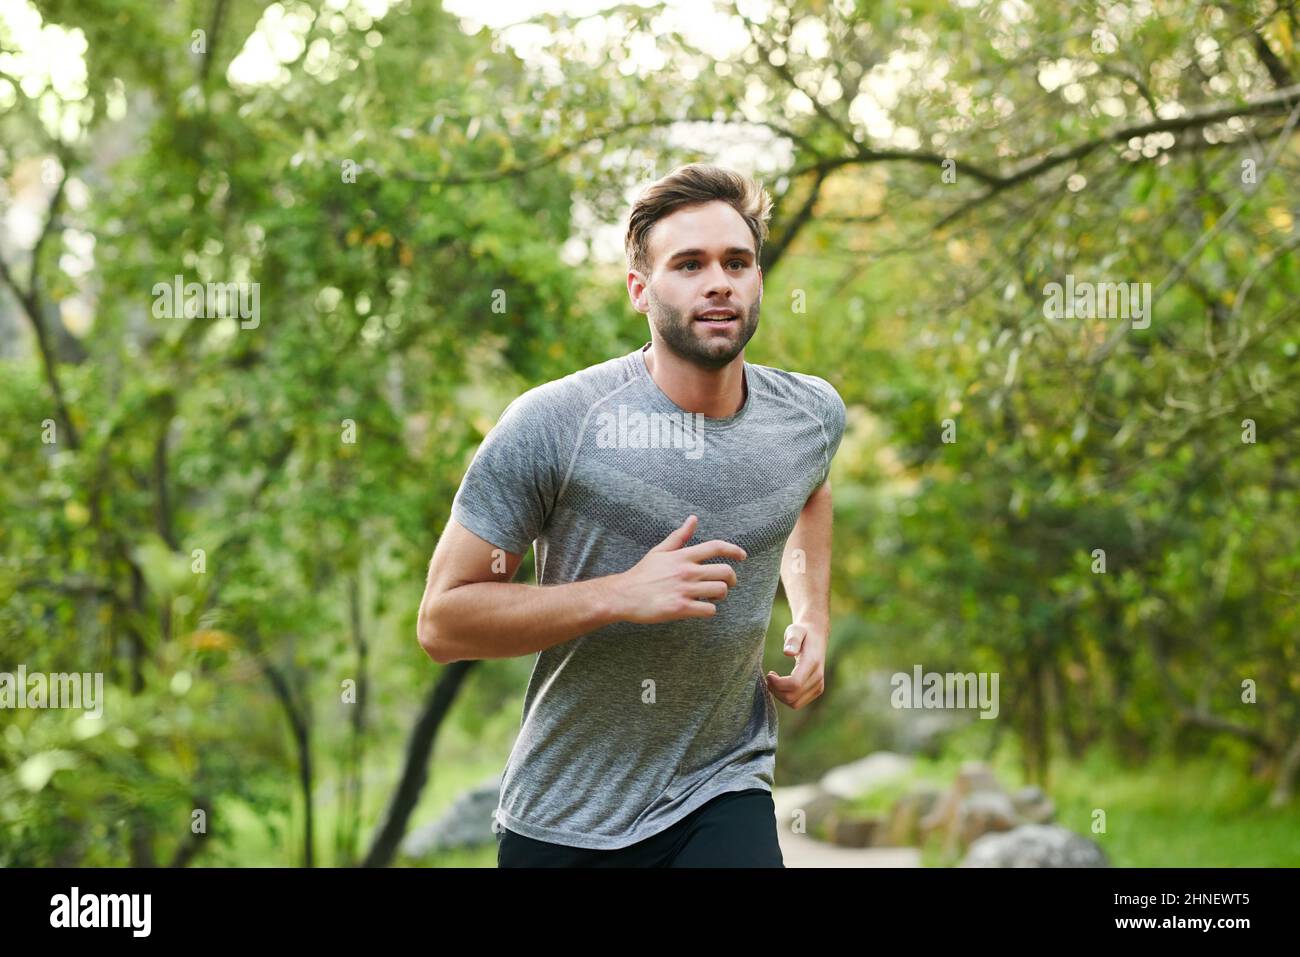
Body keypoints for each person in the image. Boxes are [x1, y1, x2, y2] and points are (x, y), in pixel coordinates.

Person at [418, 163, 846, 867]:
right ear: (639, 290)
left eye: (738, 262)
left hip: (723, 783)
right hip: (567, 815)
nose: (720, 282)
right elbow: (441, 621)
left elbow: (810, 492)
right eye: (689, 264)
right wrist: (620, 593)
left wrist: (812, 616)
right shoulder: (555, 424)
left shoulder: (808, 416)